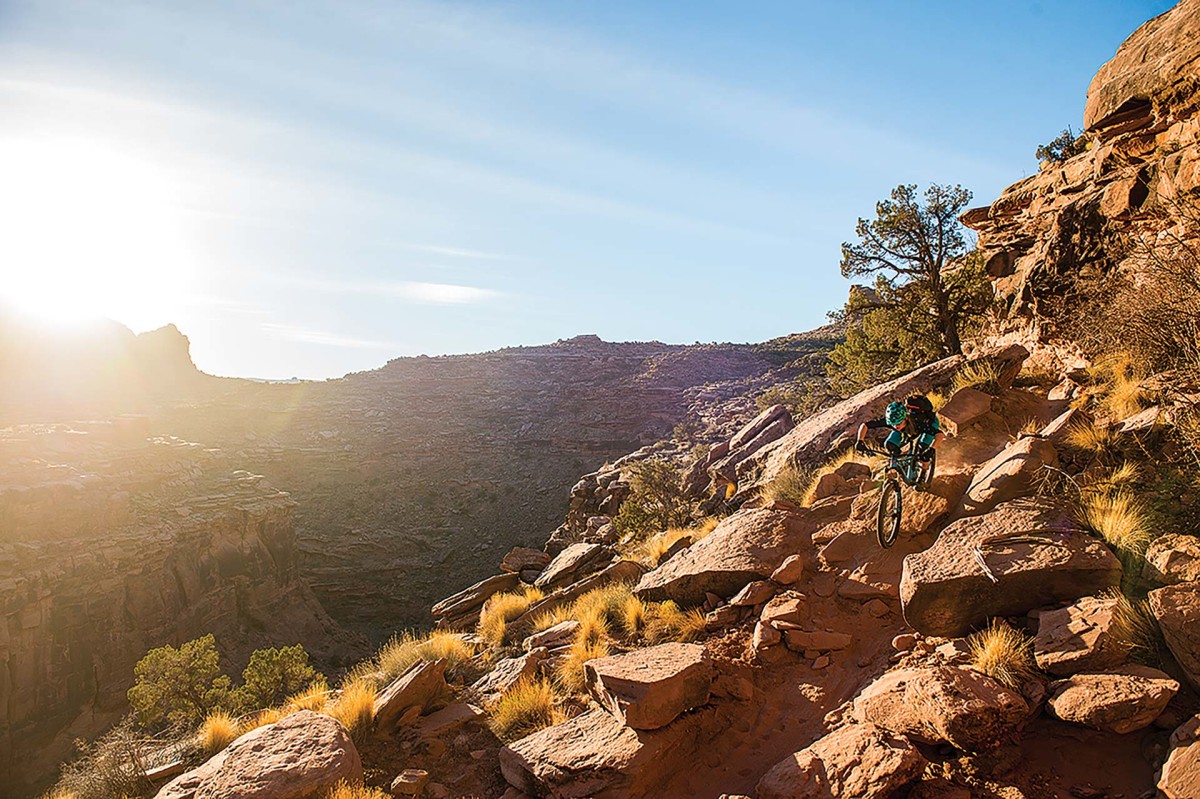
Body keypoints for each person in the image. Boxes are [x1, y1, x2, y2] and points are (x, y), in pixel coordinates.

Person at [854, 394, 943, 466]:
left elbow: (939, 435)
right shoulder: (892, 421)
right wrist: (860, 441)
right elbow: (865, 425)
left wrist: (931, 449)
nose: (896, 426)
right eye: (893, 424)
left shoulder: (918, 423)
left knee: (923, 450)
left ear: (905, 419)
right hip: (907, 429)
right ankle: (903, 465)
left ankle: (923, 474)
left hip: (929, 423)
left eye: (899, 423)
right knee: (890, 445)